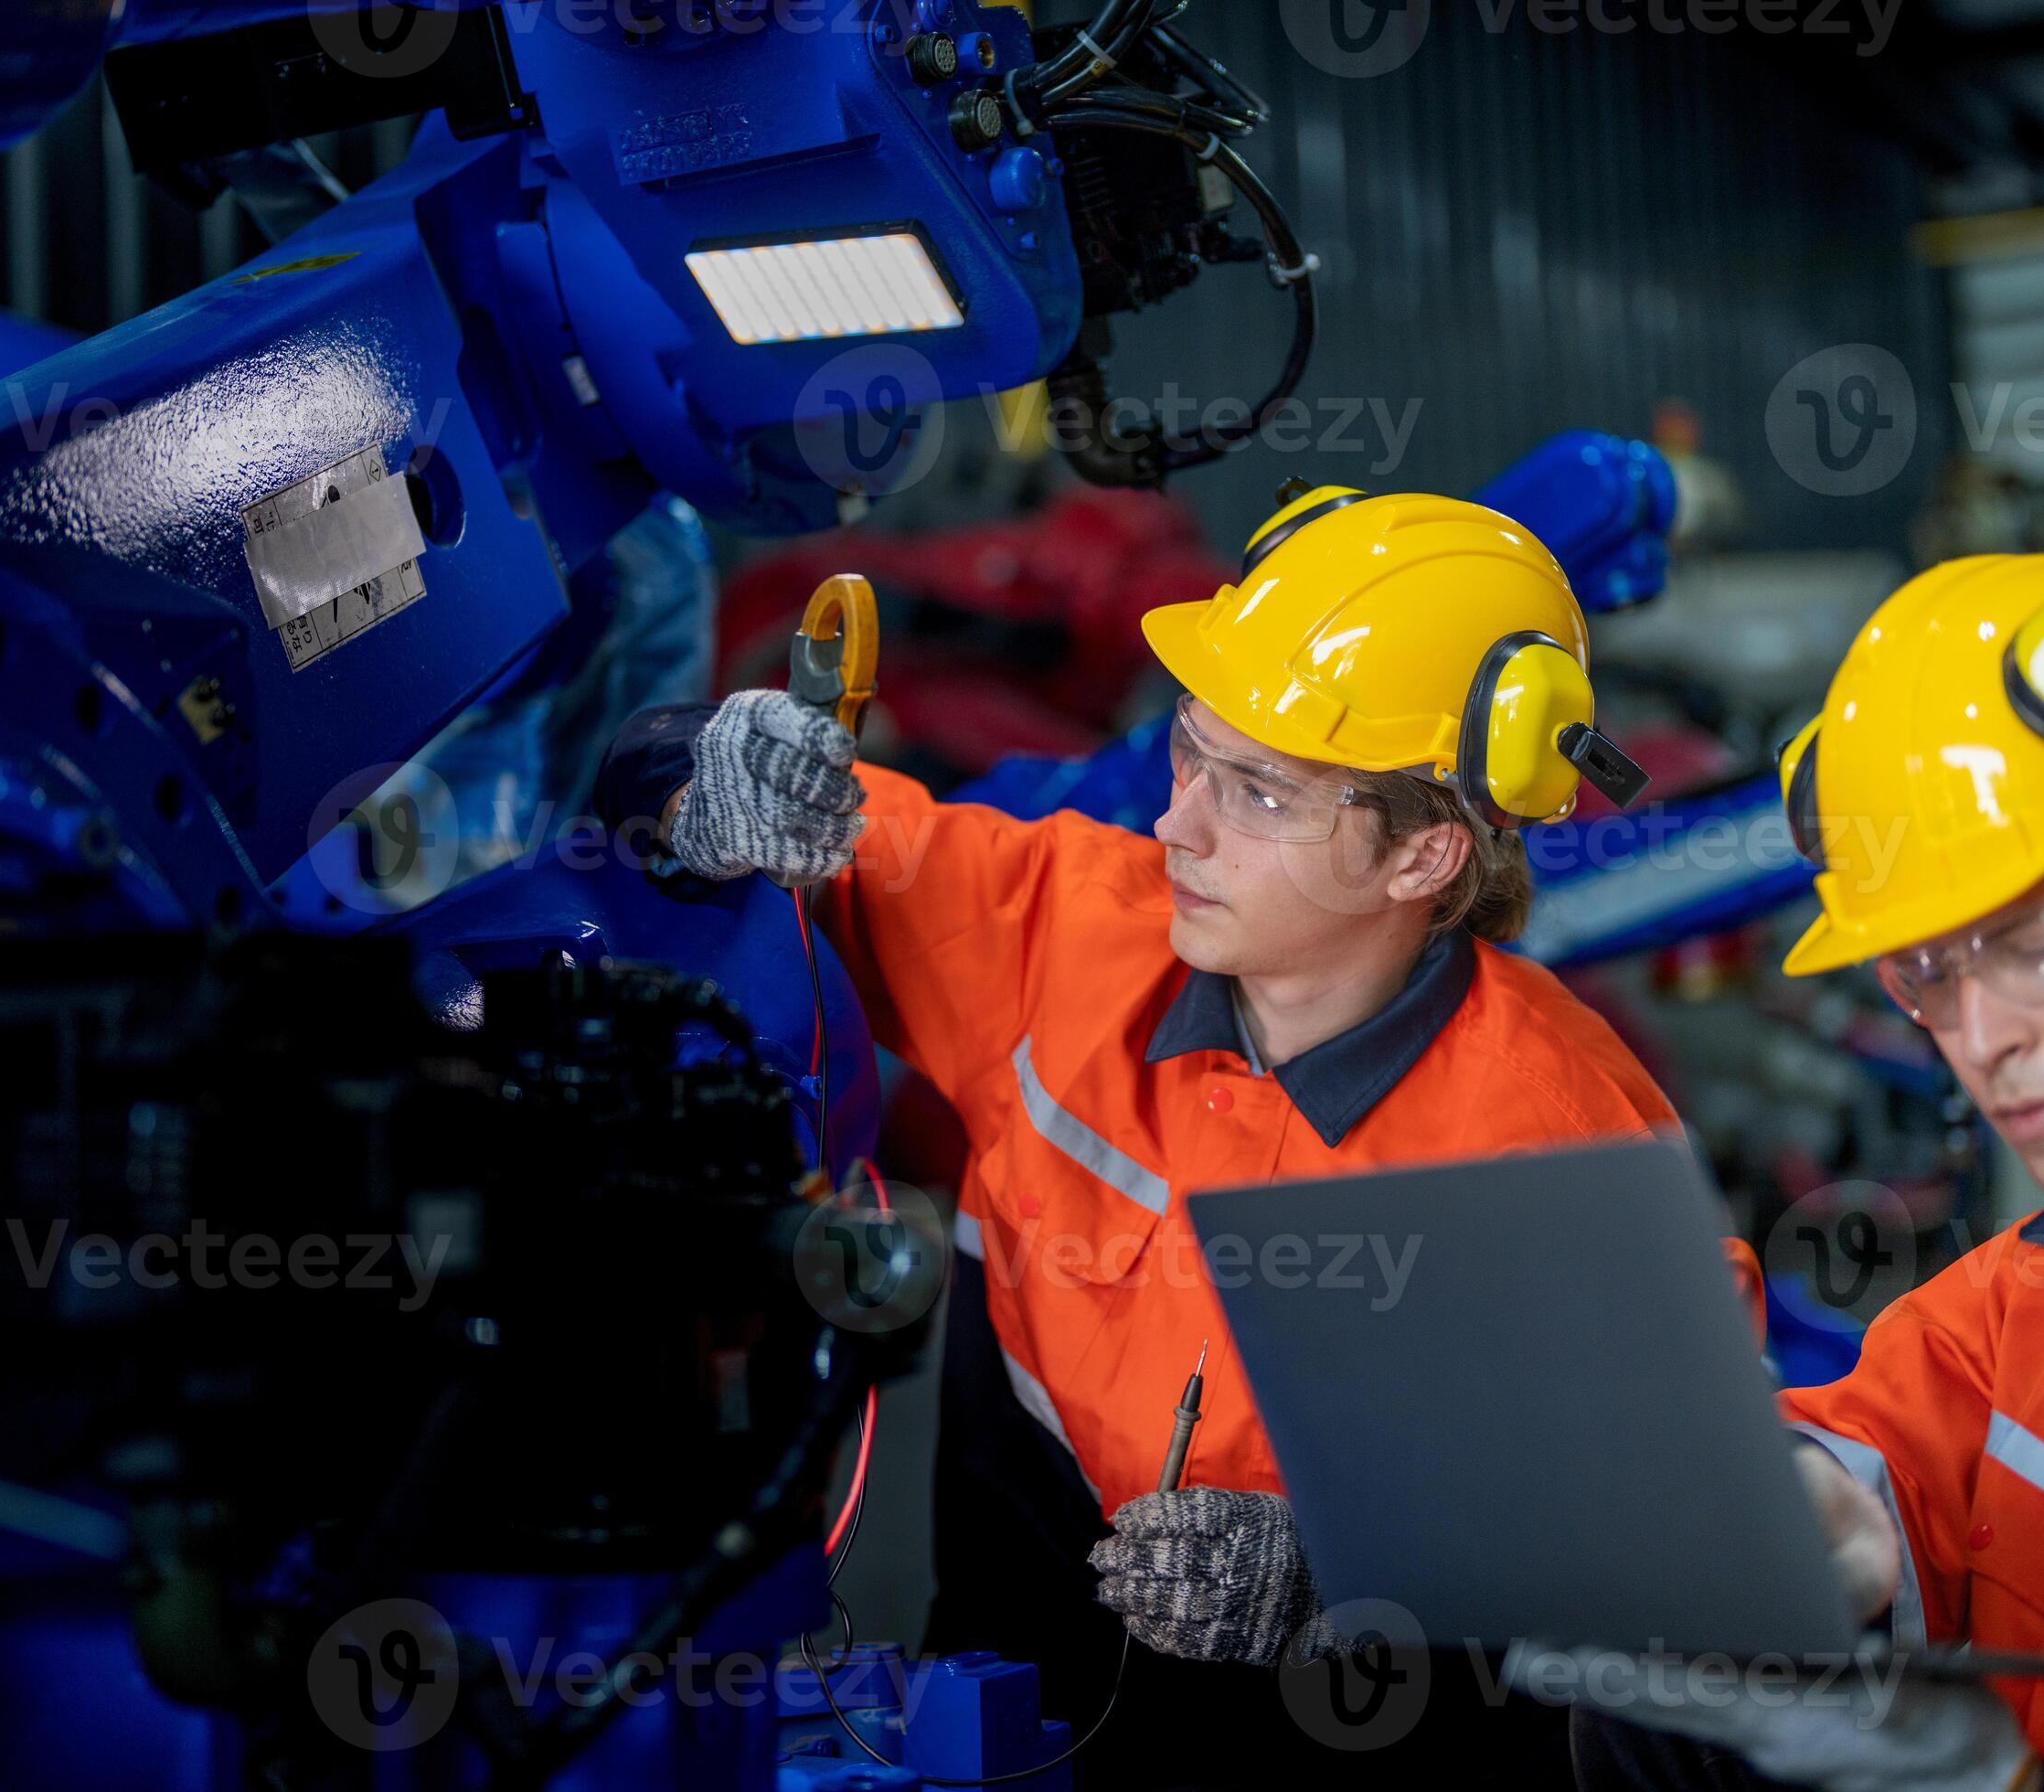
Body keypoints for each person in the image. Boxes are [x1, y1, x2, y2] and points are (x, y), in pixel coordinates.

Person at [597, 484, 1758, 1784]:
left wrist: (1357, 1575)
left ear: (1423, 855)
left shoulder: (1568, 1146)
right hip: (1017, 1676)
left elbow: (1696, 1537)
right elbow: (695, 795)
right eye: (1193, 752)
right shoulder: (1063, 929)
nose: (1176, 823)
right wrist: (706, 765)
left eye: (1258, 794)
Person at [1560, 544, 2044, 1789]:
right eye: (1929, 973)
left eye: (2033, 947)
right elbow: (1869, 1459)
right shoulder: (2019, 1304)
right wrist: (1790, 1539)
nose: (1982, 1041)